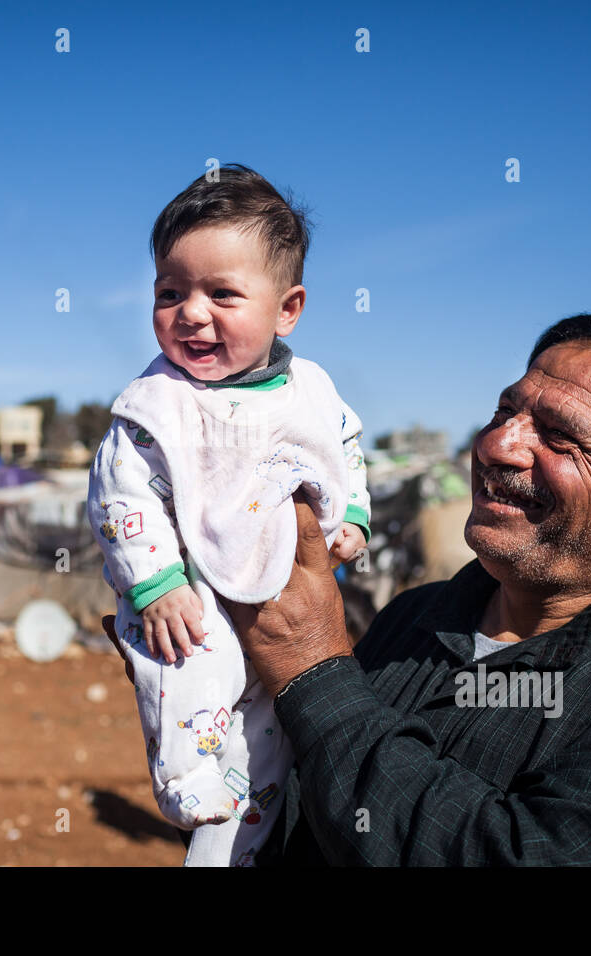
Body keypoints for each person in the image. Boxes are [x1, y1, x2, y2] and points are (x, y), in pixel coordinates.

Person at [109, 313, 591, 865]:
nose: (498, 446)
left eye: (559, 435)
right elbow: (314, 826)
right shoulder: (417, 619)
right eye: (505, 411)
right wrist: (215, 706)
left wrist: (313, 672)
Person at [87, 165, 372, 867]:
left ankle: (234, 848)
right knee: (190, 665)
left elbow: (343, 447)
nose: (190, 312)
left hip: (282, 594)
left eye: (221, 294)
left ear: (287, 308)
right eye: (170, 292)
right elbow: (120, 492)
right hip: (192, 593)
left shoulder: (310, 391)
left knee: (268, 731)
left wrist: (353, 515)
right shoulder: (160, 403)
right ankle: (183, 778)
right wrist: (154, 583)